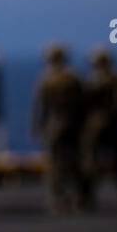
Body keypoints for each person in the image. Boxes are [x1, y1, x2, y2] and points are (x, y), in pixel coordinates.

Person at [81, 48, 117, 210]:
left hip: (100, 127)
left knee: (92, 162)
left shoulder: (95, 81)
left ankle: (86, 198)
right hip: (115, 126)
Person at [32, 44, 86, 213]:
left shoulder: (47, 80)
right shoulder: (74, 78)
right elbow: (84, 104)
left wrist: (37, 126)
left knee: (55, 164)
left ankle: (58, 199)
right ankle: (80, 197)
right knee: (75, 161)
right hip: (74, 125)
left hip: (54, 126)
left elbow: (40, 107)